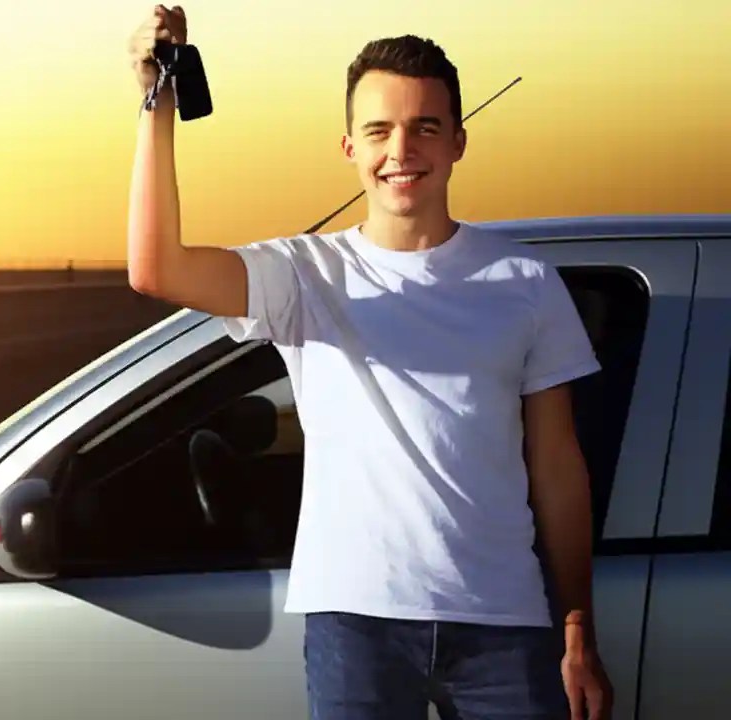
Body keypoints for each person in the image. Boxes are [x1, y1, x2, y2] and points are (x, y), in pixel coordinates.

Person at [125, 6, 614, 719]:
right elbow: (155, 268)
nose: (401, 150)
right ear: (349, 146)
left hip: (505, 624)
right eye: (380, 131)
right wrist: (156, 100)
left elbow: (558, 469)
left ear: (458, 143)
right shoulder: (304, 275)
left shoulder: (525, 283)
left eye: (425, 128)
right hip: (355, 624)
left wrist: (577, 629)